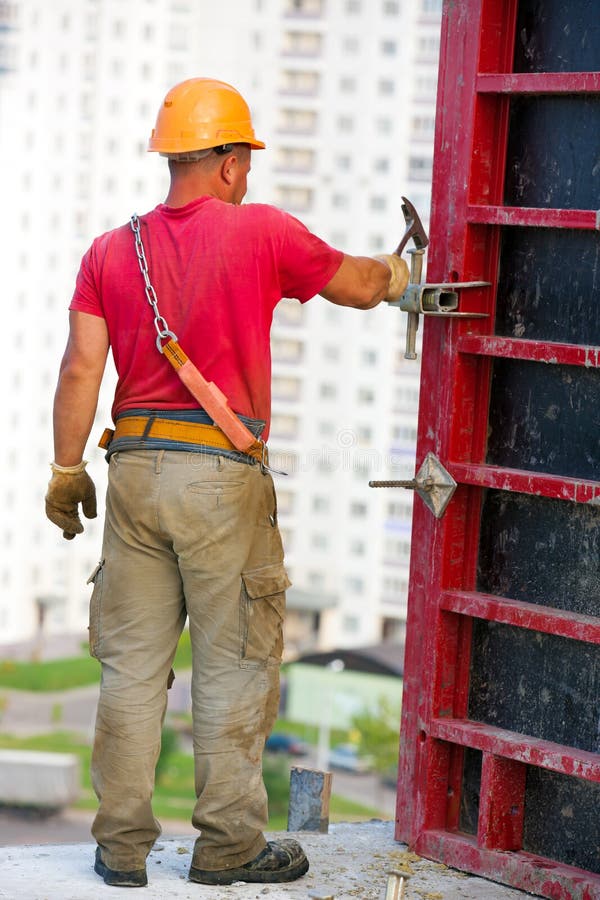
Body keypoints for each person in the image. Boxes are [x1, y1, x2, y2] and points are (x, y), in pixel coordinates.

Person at [45, 78, 409, 888]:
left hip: (133, 471)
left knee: (133, 670)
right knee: (234, 664)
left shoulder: (110, 251)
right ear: (233, 164)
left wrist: (66, 468)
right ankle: (228, 849)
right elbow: (354, 282)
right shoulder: (261, 234)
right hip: (218, 476)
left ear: (172, 158)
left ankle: (122, 850)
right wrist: (400, 272)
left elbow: (80, 368)